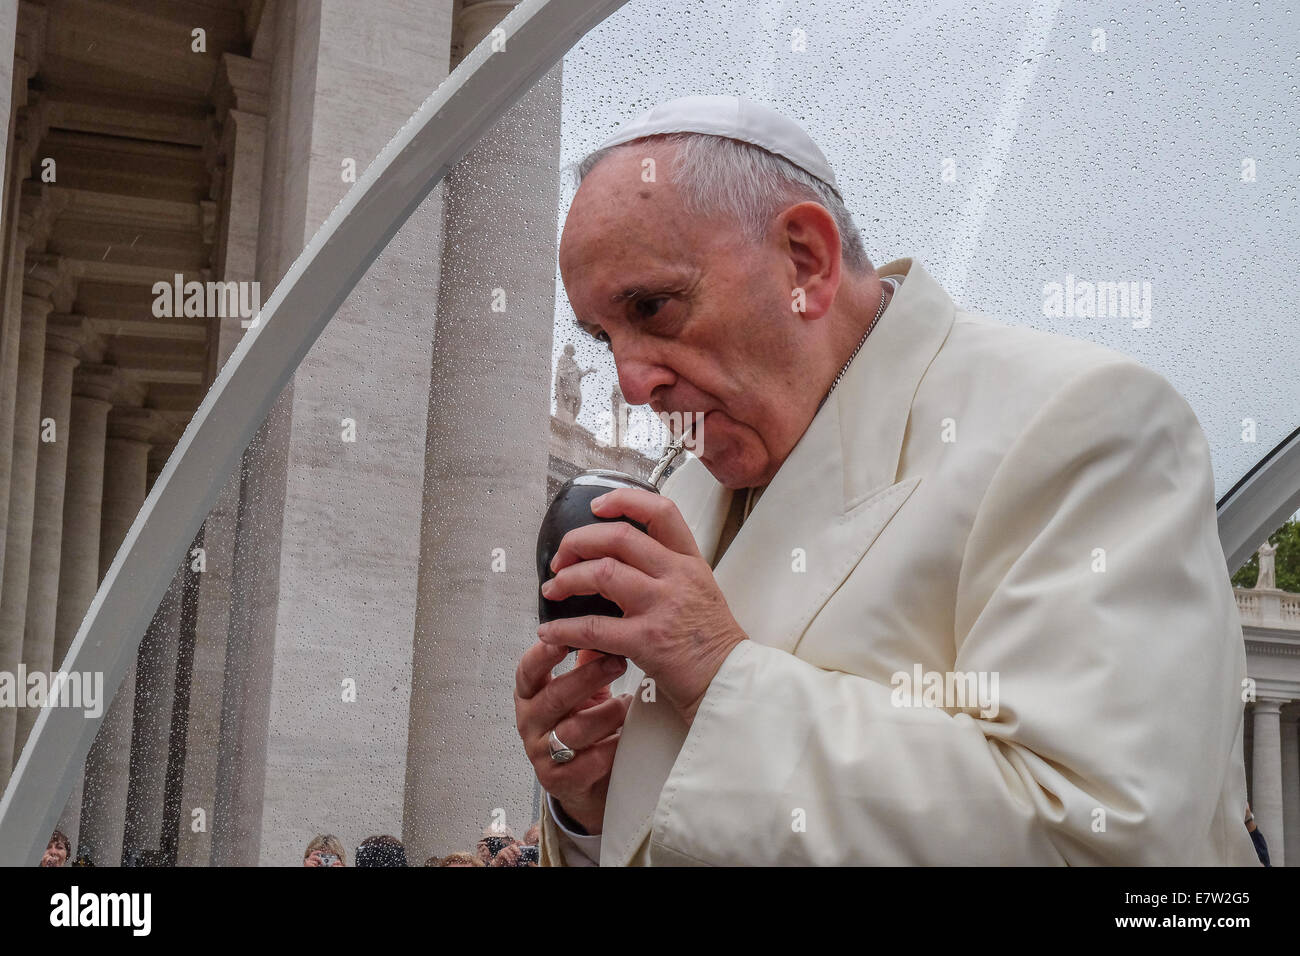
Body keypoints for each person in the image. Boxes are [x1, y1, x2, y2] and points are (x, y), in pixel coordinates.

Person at [513, 94, 1260, 866]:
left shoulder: (1087, 423)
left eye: (654, 306)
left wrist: (718, 672)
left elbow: (1103, 841)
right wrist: (597, 803)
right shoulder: (685, 490)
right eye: (605, 337)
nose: (632, 383)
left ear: (806, 260)